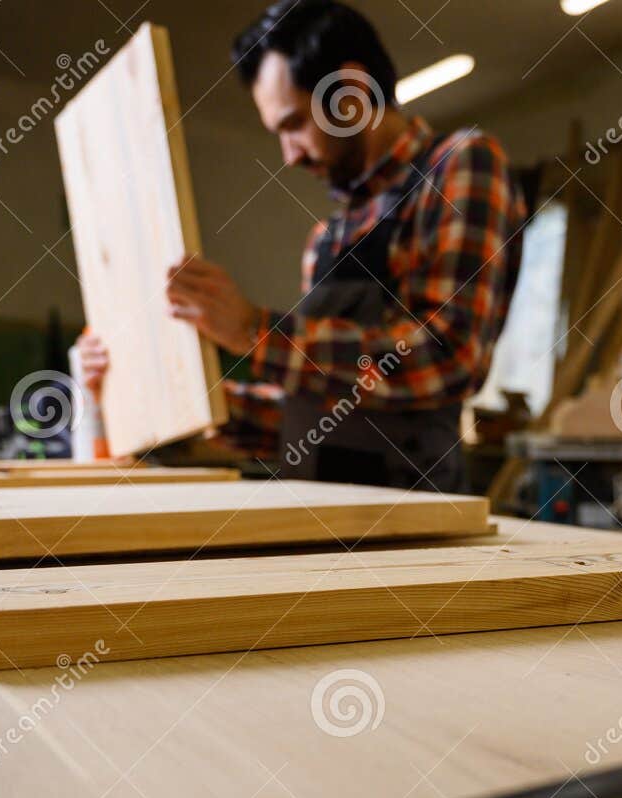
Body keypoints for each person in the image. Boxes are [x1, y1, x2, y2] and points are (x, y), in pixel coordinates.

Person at [78, 0, 526, 492]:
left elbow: (448, 359)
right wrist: (162, 396)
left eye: (293, 125)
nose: (288, 156)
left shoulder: (461, 165)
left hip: (411, 525)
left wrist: (254, 330)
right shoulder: (325, 238)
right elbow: (305, 415)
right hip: (319, 513)